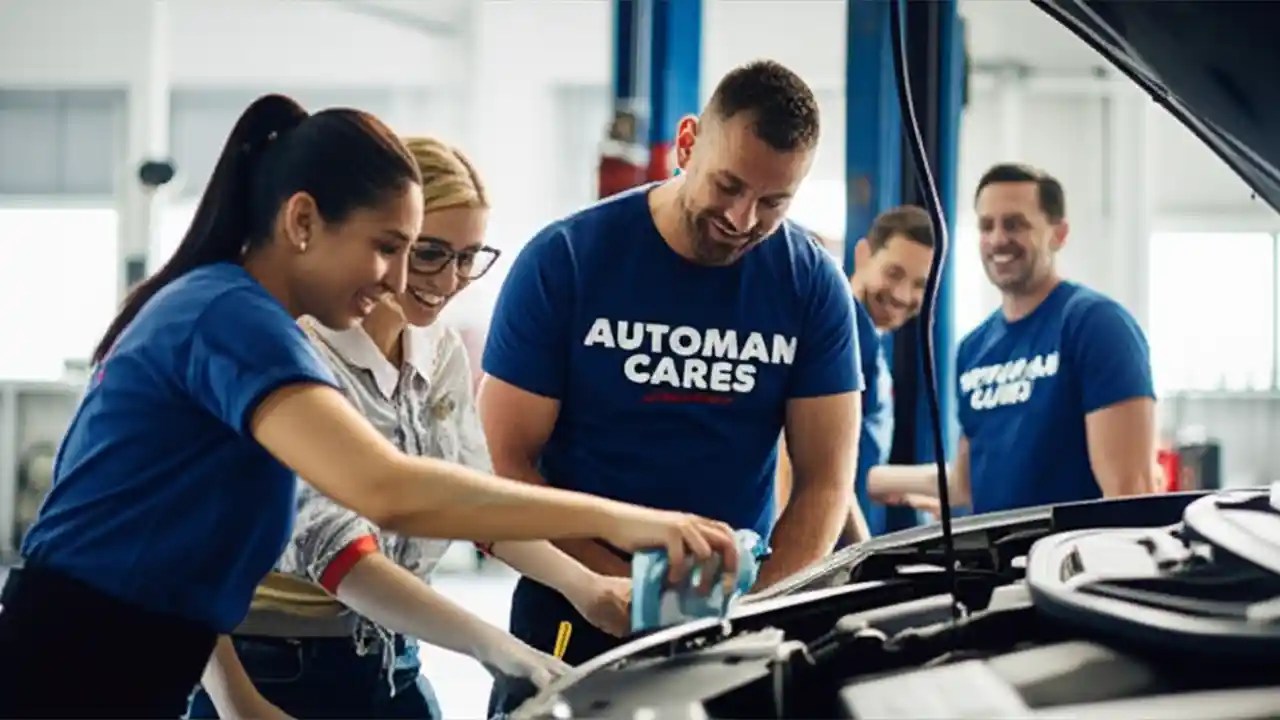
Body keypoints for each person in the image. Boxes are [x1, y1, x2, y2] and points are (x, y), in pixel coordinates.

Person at [0, 94, 739, 719]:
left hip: (141, 654)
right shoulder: (231, 320)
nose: (397, 278)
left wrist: (242, 704)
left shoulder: (242, 318)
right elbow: (389, 492)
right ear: (301, 222)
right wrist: (625, 520)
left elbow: (200, 555)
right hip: (77, 657)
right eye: (390, 247)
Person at [187, 137, 633, 719]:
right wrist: (494, 645)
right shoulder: (291, 347)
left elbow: (472, 502)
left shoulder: (437, 346)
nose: (448, 281)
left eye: (469, 257)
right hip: (276, 657)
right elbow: (339, 553)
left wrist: (584, 585)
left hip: (390, 651)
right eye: (427, 253)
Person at [479, 60, 864, 713]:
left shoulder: (810, 285)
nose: (743, 219)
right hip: (572, 608)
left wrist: (759, 607)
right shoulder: (567, 260)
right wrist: (617, 589)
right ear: (687, 144)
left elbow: (827, 478)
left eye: (774, 202)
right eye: (728, 185)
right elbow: (506, 463)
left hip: (733, 624)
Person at [869, 163, 1158, 515]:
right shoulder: (974, 349)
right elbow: (963, 484)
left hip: (1068, 564)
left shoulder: (1096, 325)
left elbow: (1131, 490)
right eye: (986, 225)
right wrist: (860, 477)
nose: (997, 239)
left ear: (1059, 234)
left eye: (1015, 224)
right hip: (999, 567)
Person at [776, 206, 935, 543]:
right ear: (863, 255)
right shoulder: (847, 335)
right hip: (821, 547)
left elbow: (854, 465)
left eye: (920, 284)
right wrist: (865, 554)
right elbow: (811, 469)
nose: (903, 295)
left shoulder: (873, 346)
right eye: (893, 273)